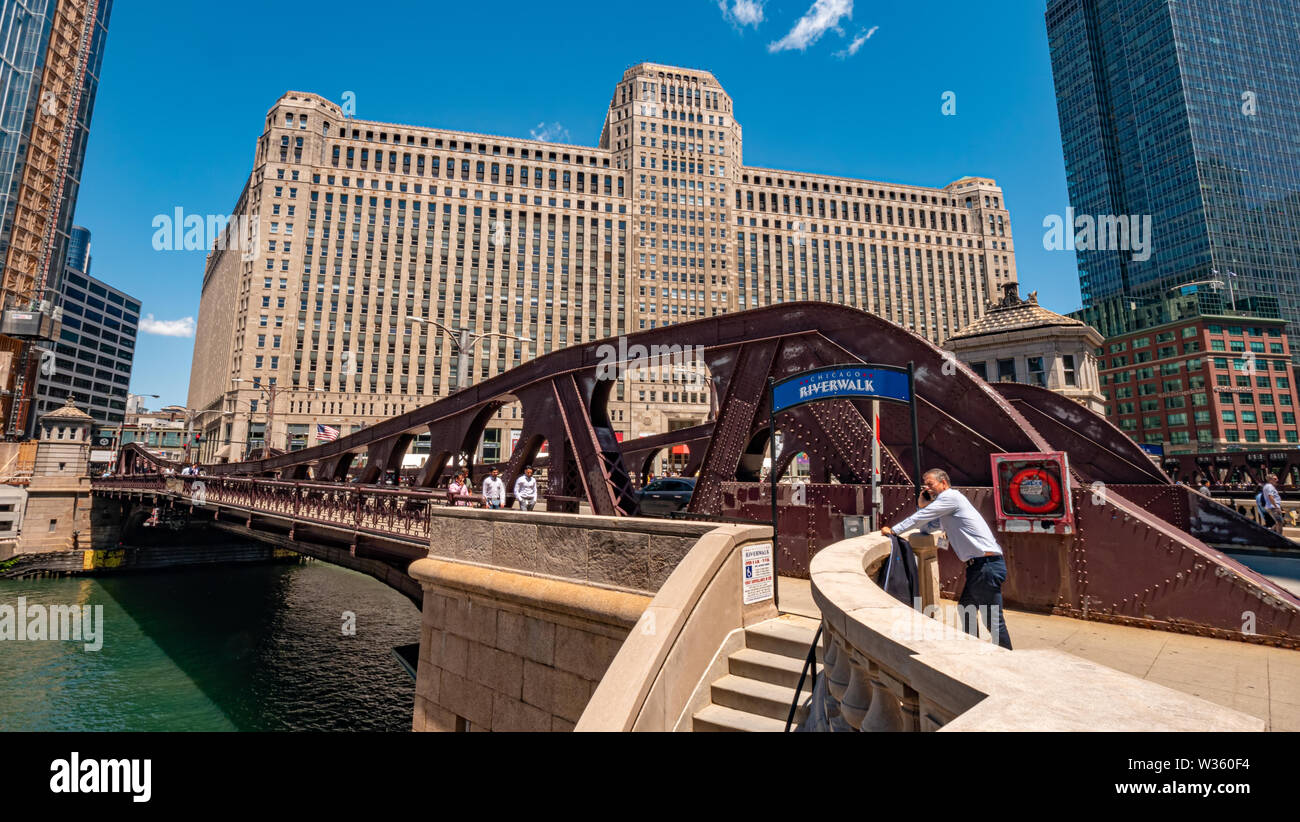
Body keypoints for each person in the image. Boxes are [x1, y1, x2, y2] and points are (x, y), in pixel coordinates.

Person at [881, 468, 1012, 650]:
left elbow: (920, 518)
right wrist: (922, 505)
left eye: (930, 484)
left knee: (993, 619)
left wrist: (894, 530)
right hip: (979, 567)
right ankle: (972, 647)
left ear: (943, 482)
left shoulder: (950, 498)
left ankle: (1007, 657)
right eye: (925, 485)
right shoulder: (946, 508)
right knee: (966, 607)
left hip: (986, 566)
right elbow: (926, 528)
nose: (927, 489)